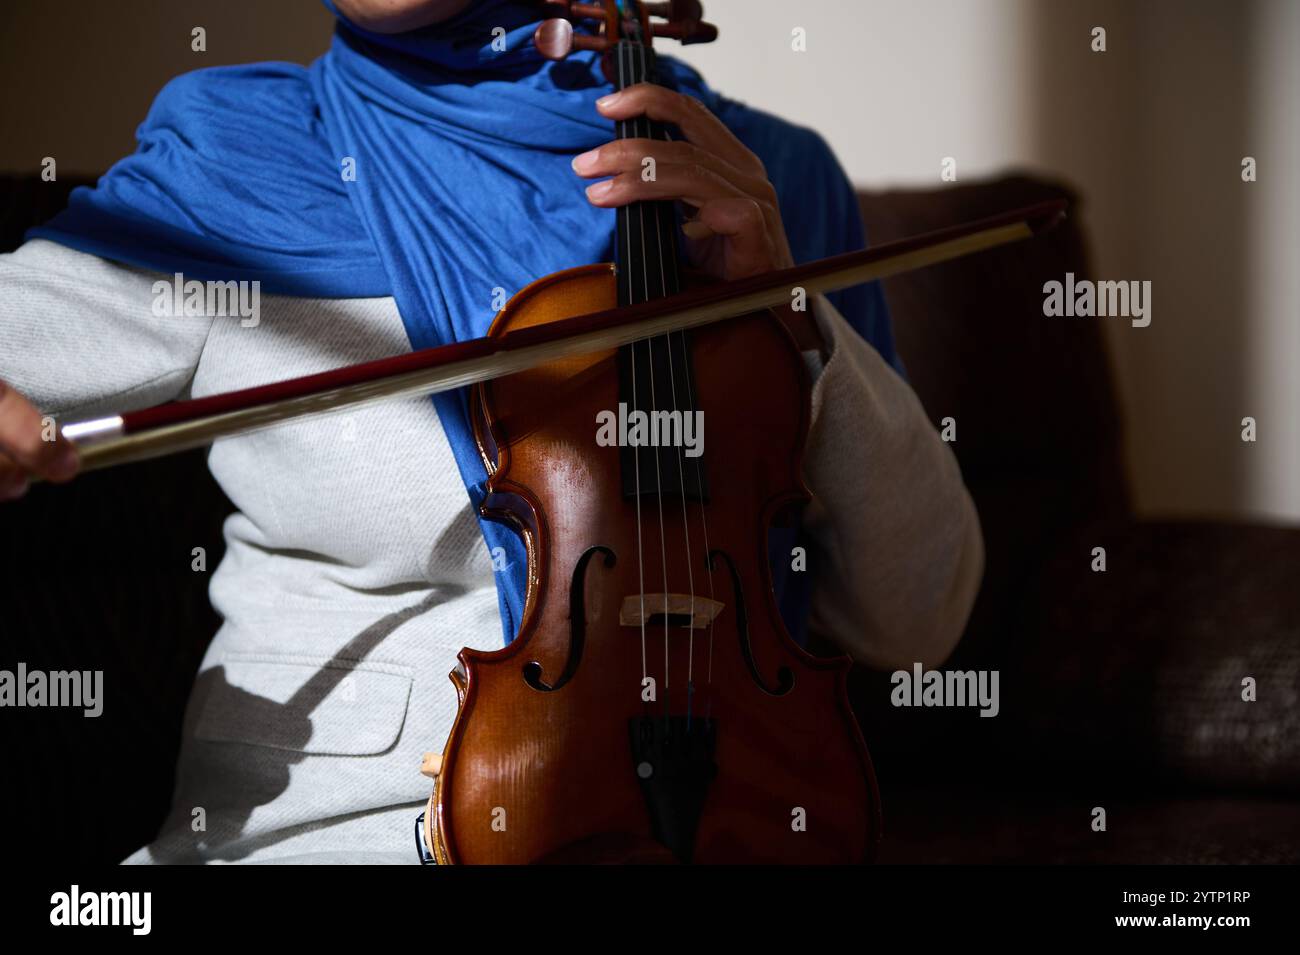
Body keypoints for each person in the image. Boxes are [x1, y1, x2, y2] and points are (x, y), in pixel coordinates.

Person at [0, 0, 983, 863]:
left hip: (735, 816)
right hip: (340, 829)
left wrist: (794, 308)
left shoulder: (755, 178)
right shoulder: (247, 154)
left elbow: (914, 620)